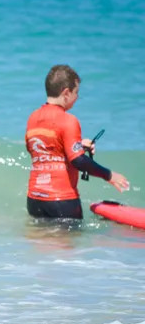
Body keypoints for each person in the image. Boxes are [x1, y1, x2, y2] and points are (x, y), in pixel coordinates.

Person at [25, 65, 129, 219]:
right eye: (76, 93)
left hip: (35, 199)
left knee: (42, 241)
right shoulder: (69, 120)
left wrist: (77, 144)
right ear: (66, 93)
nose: (77, 98)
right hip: (61, 201)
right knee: (69, 242)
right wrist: (109, 175)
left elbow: (45, 149)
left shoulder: (32, 118)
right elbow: (78, 160)